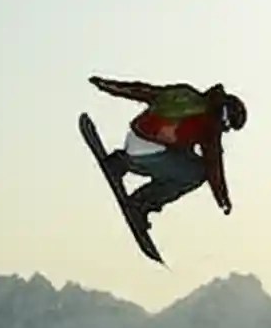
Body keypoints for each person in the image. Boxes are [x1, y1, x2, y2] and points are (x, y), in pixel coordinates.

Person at [89, 75, 246, 230]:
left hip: (135, 137)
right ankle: (140, 201)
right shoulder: (209, 128)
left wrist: (109, 85)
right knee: (197, 173)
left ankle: (121, 161)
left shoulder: (188, 95)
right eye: (228, 126)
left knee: (188, 155)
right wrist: (223, 200)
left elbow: (146, 92)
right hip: (146, 154)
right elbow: (213, 166)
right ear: (225, 119)